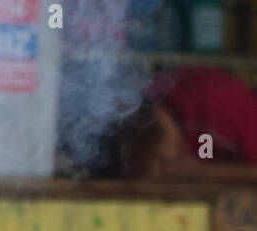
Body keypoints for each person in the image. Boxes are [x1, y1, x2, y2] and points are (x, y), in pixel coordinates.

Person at [110, 66, 257, 181]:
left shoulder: (225, 108)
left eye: (163, 165)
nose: (160, 174)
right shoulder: (129, 111)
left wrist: (204, 172)